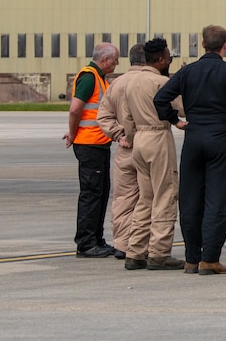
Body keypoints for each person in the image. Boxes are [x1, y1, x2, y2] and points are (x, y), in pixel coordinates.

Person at [154, 25, 226, 275]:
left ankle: (191, 258)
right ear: (225, 45)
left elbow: (160, 98)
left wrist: (175, 120)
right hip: (221, 136)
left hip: (193, 135)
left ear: (202, 45)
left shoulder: (187, 72)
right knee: (218, 200)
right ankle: (210, 258)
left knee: (190, 200)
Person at [98, 39, 186, 270]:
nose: (169, 61)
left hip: (137, 140)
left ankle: (134, 251)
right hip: (157, 135)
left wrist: (127, 135)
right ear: (160, 59)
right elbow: (181, 108)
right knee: (165, 195)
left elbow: (125, 116)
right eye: (168, 57)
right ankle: (159, 252)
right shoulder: (161, 82)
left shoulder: (126, 83)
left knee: (144, 198)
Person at [64, 41, 120, 258]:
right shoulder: (89, 77)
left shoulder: (100, 79)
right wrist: (72, 133)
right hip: (89, 144)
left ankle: (96, 239)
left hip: (98, 143)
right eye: (114, 60)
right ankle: (86, 243)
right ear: (105, 60)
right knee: (91, 194)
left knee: (100, 193)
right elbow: (75, 109)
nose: (116, 64)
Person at [99, 43, 146, 261]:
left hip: (125, 149)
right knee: (150, 198)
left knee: (124, 198)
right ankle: (141, 245)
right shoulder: (153, 82)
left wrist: (119, 135)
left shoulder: (116, 84)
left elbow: (103, 116)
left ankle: (122, 244)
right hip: (150, 146)